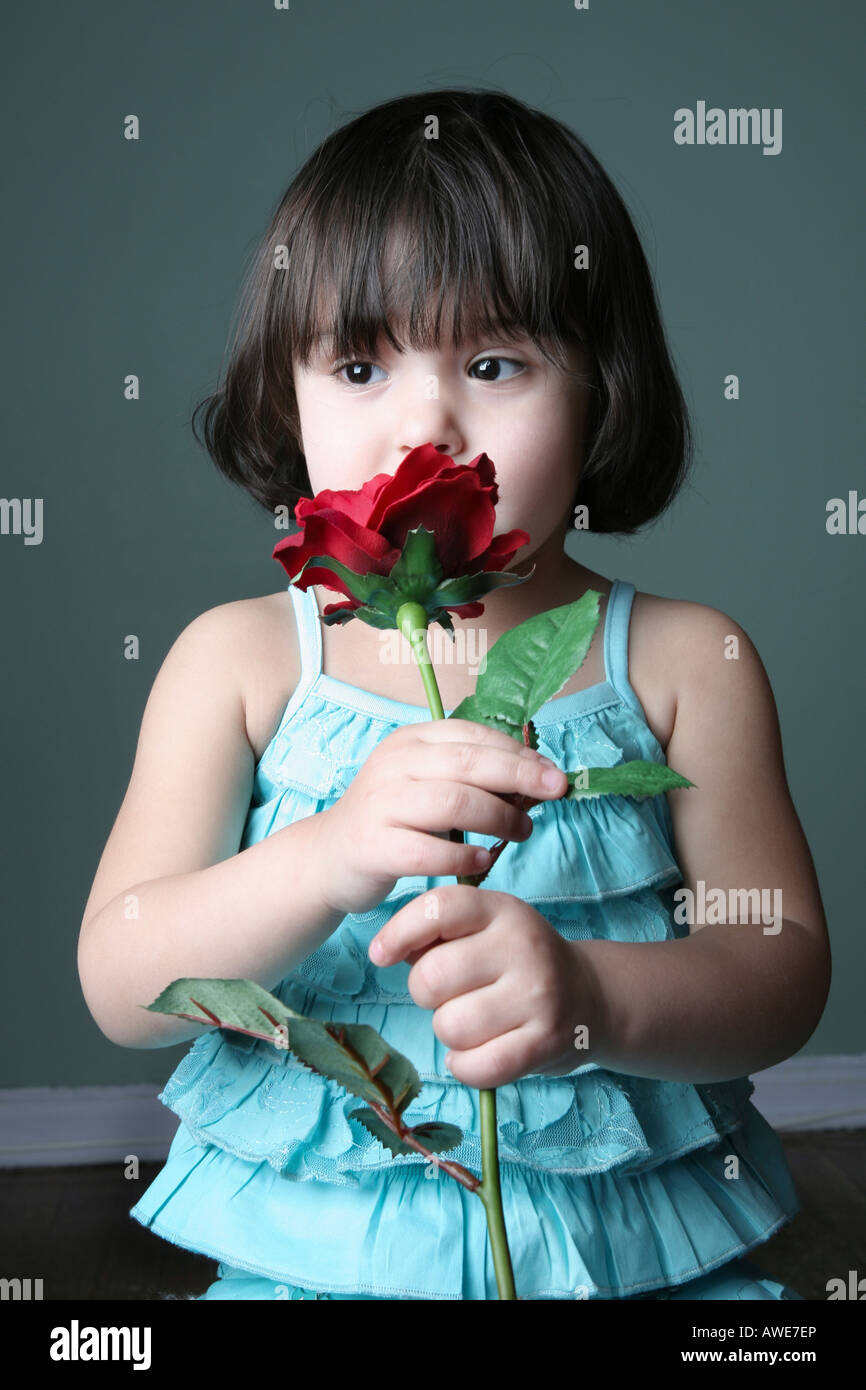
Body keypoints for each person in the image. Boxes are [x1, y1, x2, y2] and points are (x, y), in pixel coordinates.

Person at [78, 88, 829, 1301]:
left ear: (601, 391)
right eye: (360, 363)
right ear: (288, 393)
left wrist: (594, 996)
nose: (422, 421)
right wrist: (328, 852)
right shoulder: (238, 663)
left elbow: (780, 970)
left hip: (620, 1266)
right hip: (317, 1264)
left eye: (493, 362)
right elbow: (123, 985)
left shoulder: (689, 662)